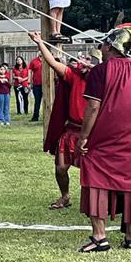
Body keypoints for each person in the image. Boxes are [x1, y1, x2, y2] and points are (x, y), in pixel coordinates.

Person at [74, 24, 131, 252]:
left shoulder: (101, 71)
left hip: (108, 136)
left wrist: (83, 137)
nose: (101, 47)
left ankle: (100, 236)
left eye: (103, 44)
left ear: (110, 46)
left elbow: (93, 107)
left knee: (94, 175)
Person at [34, 35, 89, 210]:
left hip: (92, 133)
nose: (83, 62)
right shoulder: (74, 76)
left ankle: (96, 200)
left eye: (89, 60)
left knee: (92, 171)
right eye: (84, 59)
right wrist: (40, 43)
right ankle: (65, 196)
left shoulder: (104, 80)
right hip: (71, 130)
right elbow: (52, 63)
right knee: (60, 168)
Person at [27, 49, 45, 121]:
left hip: (46, 85)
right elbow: (30, 71)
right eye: (39, 51)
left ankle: (48, 117)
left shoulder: (47, 60)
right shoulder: (33, 61)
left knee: (47, 101)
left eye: (41, 50)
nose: (40, 52)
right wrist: (29, 82)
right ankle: (35, 117)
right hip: (36, 84)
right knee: (37, 101)